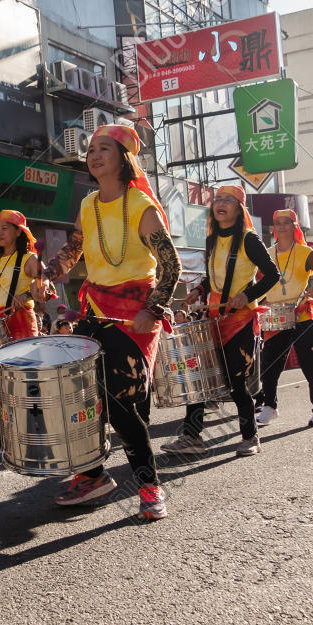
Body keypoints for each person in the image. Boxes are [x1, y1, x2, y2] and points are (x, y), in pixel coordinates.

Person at [46, 123, 179, 519]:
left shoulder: (142, 206)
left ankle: (150, 485)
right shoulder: (87, 205)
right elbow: (73, 250)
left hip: (136, 314)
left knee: (122, 406)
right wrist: (51, 270)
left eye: (104, 148)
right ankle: (92, 475)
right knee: (81, 394)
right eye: (91, 150)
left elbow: (171, 267)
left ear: (124, 158)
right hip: (96, 311)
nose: (94, 155)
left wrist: (152, 309)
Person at [165, 186, 278, 457]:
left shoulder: (249, 240)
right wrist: (198, 290)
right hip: (212, 319)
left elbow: (272, 275)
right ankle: (192, 437)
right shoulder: (212, 239)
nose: (221, 204)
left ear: (240, 209)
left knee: (237, 383)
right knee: (200, 378)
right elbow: (212, 278)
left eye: (229, 200)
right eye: (217, 200)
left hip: (239, 321)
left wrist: (247, 296)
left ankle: (250, 437)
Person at [0, 209, 51, 455]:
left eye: (5, 228)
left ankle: (38, 431)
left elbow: (45, 283)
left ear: (19, 232)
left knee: (25, 381)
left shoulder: (29, 258)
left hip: (19, 322)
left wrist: (27, 294)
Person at [255, 209, 313, 427]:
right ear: (273, 228)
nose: (281, 226)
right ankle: (269, 406)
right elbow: (256, 284)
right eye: (277, 223)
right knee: (270, 365)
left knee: (312, 364)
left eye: (286, 222)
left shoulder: (304, 252)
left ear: (294, 226)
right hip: (276, 315)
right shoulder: (266, 254)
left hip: (302, 314)